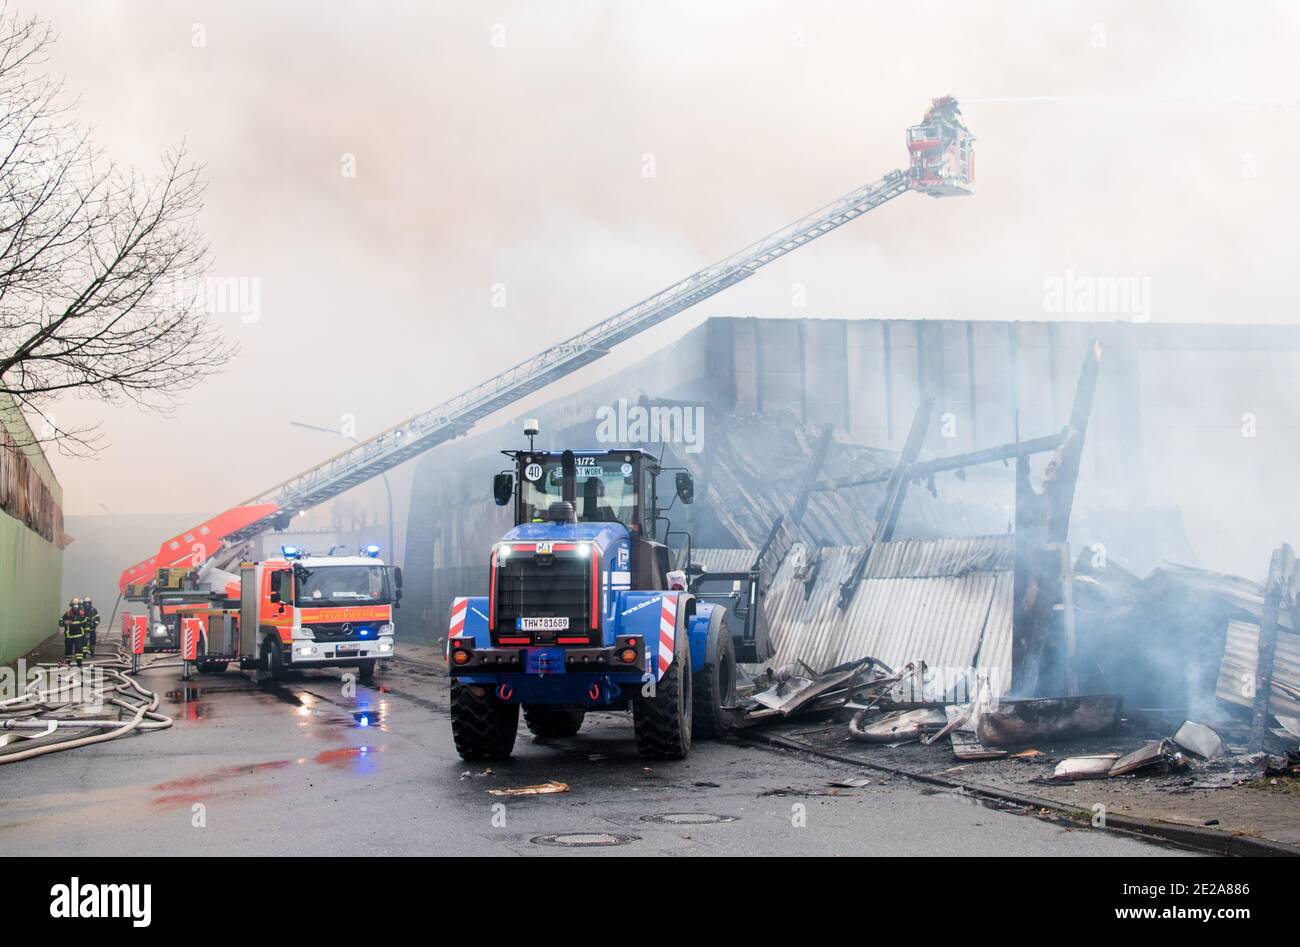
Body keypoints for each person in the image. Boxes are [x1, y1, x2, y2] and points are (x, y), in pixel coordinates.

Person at [59, 598, 89, 664]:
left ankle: (79, 663)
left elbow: (85, 623)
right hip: (69, 636)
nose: (75, 607)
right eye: (74, 605)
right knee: (68, 650)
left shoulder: (81, 614)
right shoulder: (68, 614)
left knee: (78, 650)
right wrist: (65, 622)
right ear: (71, 606)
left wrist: (86, 632)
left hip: (79, 635)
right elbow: (60, 622)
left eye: (77, 605)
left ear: (79, 605)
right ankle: (67, 663)